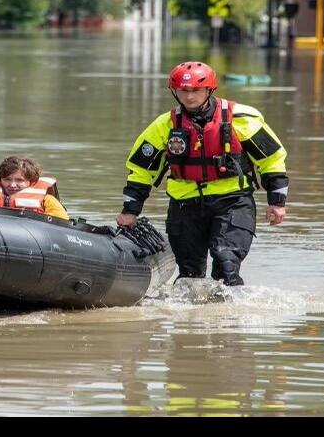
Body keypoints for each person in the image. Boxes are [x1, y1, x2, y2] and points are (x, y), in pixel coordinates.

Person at [116, 61, 289, 286]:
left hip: (233, 202)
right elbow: (141, 171)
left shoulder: (242, 118)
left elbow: (272, 159)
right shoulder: (164, 126)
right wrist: (130, 211)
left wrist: (277, 202)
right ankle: (191, 320)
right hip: (185, 205)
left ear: (209, 90)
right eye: (184, 91)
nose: (189, 97)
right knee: (189, 276)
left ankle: (228, 315)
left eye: (196, 90)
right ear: (175, 91)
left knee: (226, 263)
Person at [0, 156, 69, 220]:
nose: (12, 185)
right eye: (7, 179)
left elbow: (63, 227)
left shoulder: (48, 201)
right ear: (0, 180)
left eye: (19, 180)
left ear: (31, 181)